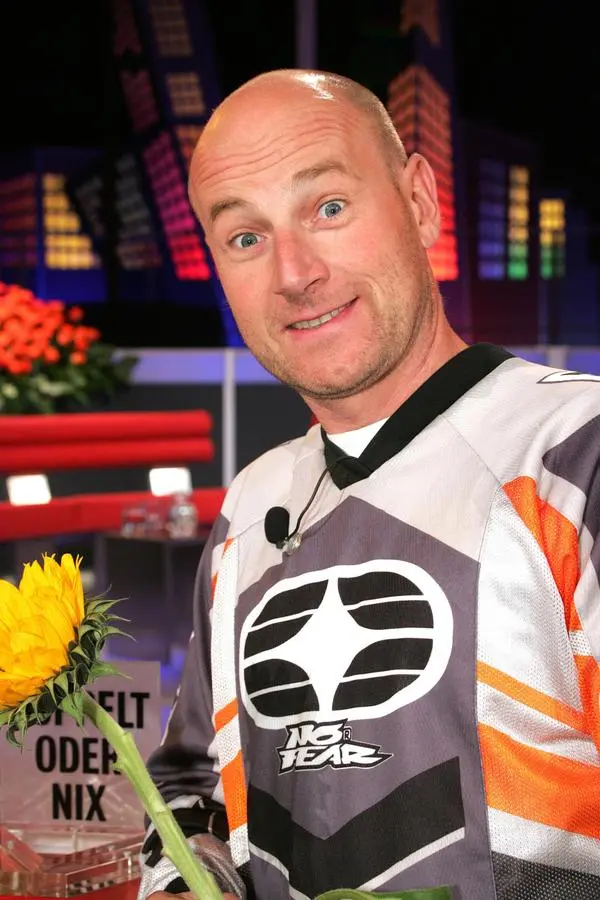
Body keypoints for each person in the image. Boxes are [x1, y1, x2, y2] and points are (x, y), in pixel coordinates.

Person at [139, 69, 600, 900]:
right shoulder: (251, 506)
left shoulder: (576, 451)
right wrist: (183, 878)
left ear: (419, 202)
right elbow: (190, 787)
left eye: (328, 208)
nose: (293, 273)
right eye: (245, 238)